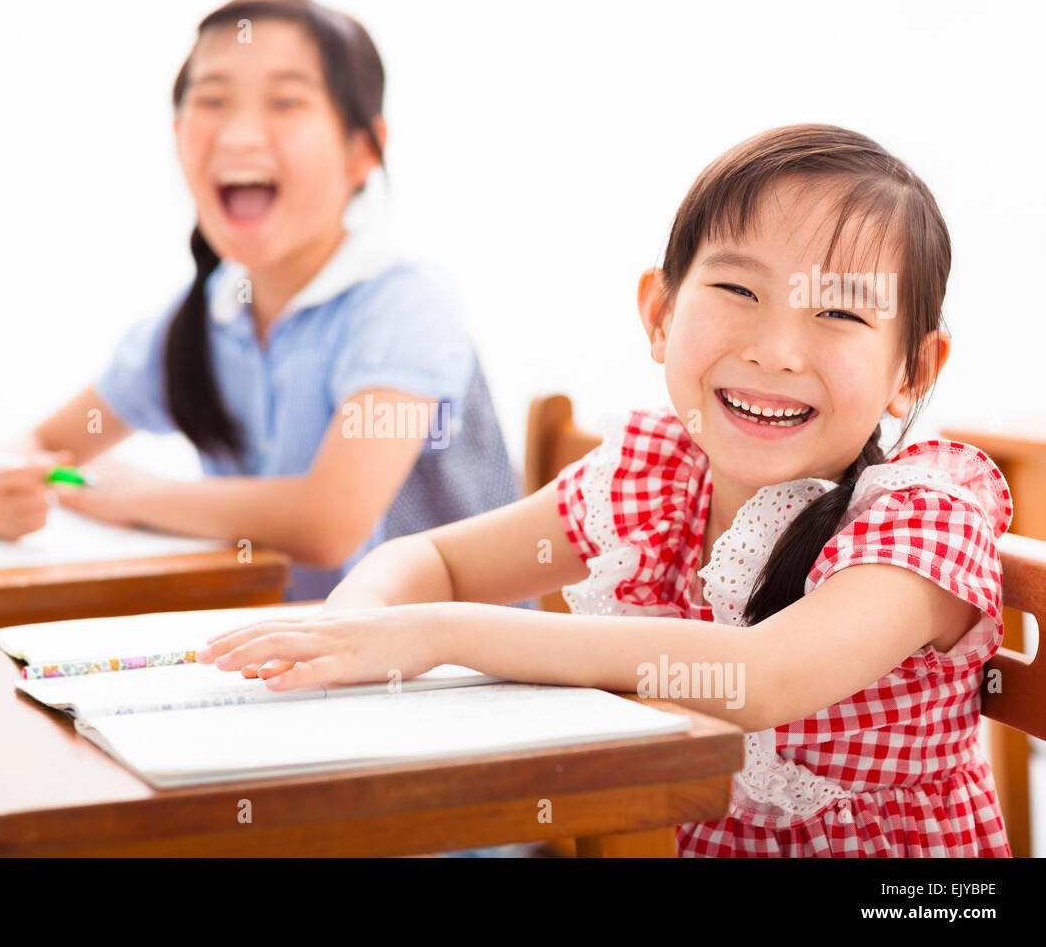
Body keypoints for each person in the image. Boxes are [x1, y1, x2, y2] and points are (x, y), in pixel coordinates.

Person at [200, 124, 1014, 857]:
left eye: (839, 312)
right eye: (739, 290)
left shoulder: (925, 515)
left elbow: (758, 679)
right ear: (659, 313)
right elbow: (436, 560)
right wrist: (352, 635)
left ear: (913, 370)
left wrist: (439, 634)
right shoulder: (651, 478)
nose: (776, 350)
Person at [0, 0, 517, 603]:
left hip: (443, 678)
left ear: (363, 150)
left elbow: (330, 522)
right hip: (279, 664)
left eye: (286, 101)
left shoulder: (404, 305)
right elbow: (36, 445)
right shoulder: (203, 317)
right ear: (178, 138)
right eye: (212, 100)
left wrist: (136, 497)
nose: (240, 132)